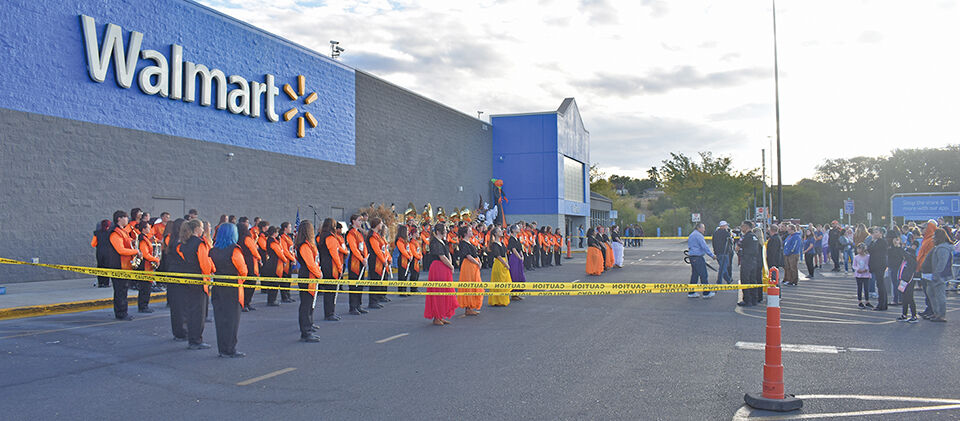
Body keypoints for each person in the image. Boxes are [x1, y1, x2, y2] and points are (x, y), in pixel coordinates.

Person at [208, 223, 247, 357]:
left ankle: (222, 348)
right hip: (233, 289)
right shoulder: (234, 250)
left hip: (218, 286)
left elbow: (211, 268)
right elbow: (243, 271)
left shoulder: (213, 250)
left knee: (220, 320)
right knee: (232, 320)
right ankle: (230, 349)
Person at [178, 218, 214, 349]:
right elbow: (205, 264)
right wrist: (210, 274)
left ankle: (192, 338)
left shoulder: (184, 243)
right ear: (197, 228)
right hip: (199, 280)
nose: (203, 230)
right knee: (199, 313)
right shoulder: (200, 243)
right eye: (202, 227)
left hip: (188, 279)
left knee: (191, 311)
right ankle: (196, 340)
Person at [105, 210, 140, 321]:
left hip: (125, 266)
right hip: (118, 266)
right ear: (119, 219)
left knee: (123, 290)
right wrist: (135, 251)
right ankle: (121, 313)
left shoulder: (123, 231)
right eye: (125, 217)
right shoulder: (115, 233)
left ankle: (123, 311)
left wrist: (133, 243)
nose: (127, 219)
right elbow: (120, 250)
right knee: (120, 291)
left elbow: (127, 243)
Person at [424, 223, 459, 325]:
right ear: (439, 231)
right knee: (438, 292)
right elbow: (442, 256)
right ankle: (437, 316)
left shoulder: (443, 241)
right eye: (444, 230)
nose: (446, 231)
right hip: (438, 268)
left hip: (444, 267)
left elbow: (448, 254)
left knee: (444, 292)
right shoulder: (434, 242)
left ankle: (441, 315)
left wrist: (450, 264)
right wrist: (451, 266)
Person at [295, 220, 324, 342]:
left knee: (310, 302)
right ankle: (305, 332)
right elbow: (310, 263)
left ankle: (309, 324)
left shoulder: (308, 244)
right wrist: (319, 274)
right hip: (307, 276)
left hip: (311, 275)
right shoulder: (304, 246)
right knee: (306, 304)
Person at [316, 218, 343, 322]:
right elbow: (334, 254)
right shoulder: (330, 237)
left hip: (325, 264)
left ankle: (330, 312)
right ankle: (330, 313)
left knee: (329, 291)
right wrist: (339, 267)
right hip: (331, 266)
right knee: (331, 291)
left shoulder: (321, 236)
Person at [926, 228, 952, 322]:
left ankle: (941, 315)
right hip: (935, 275)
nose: (933, 238)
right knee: (931, 293)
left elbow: (942, 263)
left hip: (940, 276)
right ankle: (936, 312)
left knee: (940, 295)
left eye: (934, 236)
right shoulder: (939, 247)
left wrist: (936, 275)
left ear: (939, 237)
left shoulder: (942, 248)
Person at [346, 214, 369, 315]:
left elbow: (364, 246)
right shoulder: (350, 233)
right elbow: (354, 248)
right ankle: (353, 306)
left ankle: (359, 305)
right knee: (354, 284)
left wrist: (365, 257)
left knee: (360, 284)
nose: (361, 222)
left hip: (361, 261)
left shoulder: (359, 233)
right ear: (353, 221)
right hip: (355, 262)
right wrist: (361, 258)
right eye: (359, 220)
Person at [457, 226, 483, 316]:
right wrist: (477, 262)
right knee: (469, 285)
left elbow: (475, 254)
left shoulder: (469, 242)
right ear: (465, 233)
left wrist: (479, 261)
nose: (472, 232)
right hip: (469, 265)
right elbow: (468, 256)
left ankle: (471, 306)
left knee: (474, 284)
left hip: (473, 265)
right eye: (470, 231)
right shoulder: (463, 243)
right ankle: (468, 307)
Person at [134, 221, 159, 312]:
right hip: (145, 266)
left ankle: (144, 305)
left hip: (147, 266)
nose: (150, 229)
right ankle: (143, 306)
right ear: (144, 229)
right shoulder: (143, 239)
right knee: (145, 287)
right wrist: (155, 259)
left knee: (146, 287)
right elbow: (145, 254)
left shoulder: (145, 238)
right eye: (148, 227)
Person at [365, 218, 391, 309]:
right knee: (374, 281)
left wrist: (386, 258)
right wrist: (383, 260)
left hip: (379, 261)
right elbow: (377, 250)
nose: (382, 225)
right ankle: (372, 301)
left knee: (378, 281)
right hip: (375, 261)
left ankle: (376, 300)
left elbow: (383, 249)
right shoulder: (372, 236)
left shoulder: (377, 235)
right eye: (381, 223)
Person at [262, 226, 291, 307]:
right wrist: (285, 260)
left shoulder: (271, 240)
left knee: (274, 282)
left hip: (273, 263)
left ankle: (272, 299)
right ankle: (272, 300)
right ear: (274, 233)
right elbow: (279, 253)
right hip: (274, 264)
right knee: (274, 282)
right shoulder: (273, 242)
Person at [686, 223, 716, 299]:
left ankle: (691, 292)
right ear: (698, 228)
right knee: (704, 275)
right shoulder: (698, 235)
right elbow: (704, 247)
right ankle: (706, 293)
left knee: (695, 275)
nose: (704, 230)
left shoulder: (692, 234)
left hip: (692, 257)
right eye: (703, 228)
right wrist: (712, 255)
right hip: (698, 257)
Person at [237, 220, 261, 312]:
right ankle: (247, 302)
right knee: (251, 282)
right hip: (250, 261)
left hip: (241, 260)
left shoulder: (237, 238)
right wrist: (259, 258)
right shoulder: (247, 238)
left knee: (244, 284)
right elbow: (253, 250)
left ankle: (243, 303)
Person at [737, 221, 762, 307]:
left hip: (746, 260)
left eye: (742, 226)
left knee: (745, 280)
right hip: (754, 261)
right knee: (753, 280)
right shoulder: (754, 236)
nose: (741, 228)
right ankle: (754, 299)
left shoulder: (745, 237)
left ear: (746, 227)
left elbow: (737, 247)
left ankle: (747, 300)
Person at [488, 226, 512, 306]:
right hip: (499, 263)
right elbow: (498, 256)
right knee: (499, 282)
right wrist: (505, 263)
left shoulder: (502, 243)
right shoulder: (494, 244)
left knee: (504, 281)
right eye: (499, 231)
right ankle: (498, 300)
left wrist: (507, 262)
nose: (501, 231)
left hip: (504, 262)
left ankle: (503, 300)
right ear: (495, 234)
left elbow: (505, 253)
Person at [897, 241, 920, 322]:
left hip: (909, 281)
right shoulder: (904, 261)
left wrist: (901, 248)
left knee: (910, 298)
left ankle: (914, 315)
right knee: (904, 299)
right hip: (903, 281)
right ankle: (904, 314)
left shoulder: (912, 260)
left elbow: (907, 256)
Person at [867, 229, 888, 310]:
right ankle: (883, 304)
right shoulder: (875, 242)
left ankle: (882, 304)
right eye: (874, 232)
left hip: (879, 265)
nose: (874, 234)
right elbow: (869, 249)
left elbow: (872, 250)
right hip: (876, 265)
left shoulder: (882, 242)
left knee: (880, 285)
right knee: (880, 284)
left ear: (880, 233)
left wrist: (872, 242)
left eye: (876, 232)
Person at [278, 222, 297, 304]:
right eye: (289, 227)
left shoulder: (288, 237)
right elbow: (285, 251)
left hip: (290, 260)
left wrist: (293, 258)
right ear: (285, 228)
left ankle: (288, 295)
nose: (291, 229)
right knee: (285, 279)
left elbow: (291, 249)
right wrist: (292, 258)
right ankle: (284, 296)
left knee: (289, 278)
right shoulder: (282, 238)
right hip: (286, 261)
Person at [508, 225, 527, 301]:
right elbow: (513, 249)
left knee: (520, 274)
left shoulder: (517, 239)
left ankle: (518, 292)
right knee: (514, 275)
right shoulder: (511, 239)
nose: (519, 229)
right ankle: (514, 293)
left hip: (519, 257)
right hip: (514, 258)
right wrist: (519, 257)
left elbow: (520, 249)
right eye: (518, 228)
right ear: (513, 230)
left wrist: (522, 256)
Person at [92, 219, 113, 288]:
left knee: (100, 266)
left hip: (99, 252)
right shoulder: (110, 233)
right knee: (107, 267)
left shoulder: (97, 233)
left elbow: (93, 244)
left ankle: (100, 283)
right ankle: (106, 283)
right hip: (108, 252)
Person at [853, 244, 872, 309]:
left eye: (860, 248)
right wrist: (857, 269)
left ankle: (867, 301)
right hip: (858, 275)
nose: (858, 250)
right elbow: (854, 265)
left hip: (866, 274)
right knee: (859, 288)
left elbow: (869, 264)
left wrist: (866, 269)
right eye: (858, 248)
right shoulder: (856, 257)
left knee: (866, 288)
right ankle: (860, 301)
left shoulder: (868, 257)